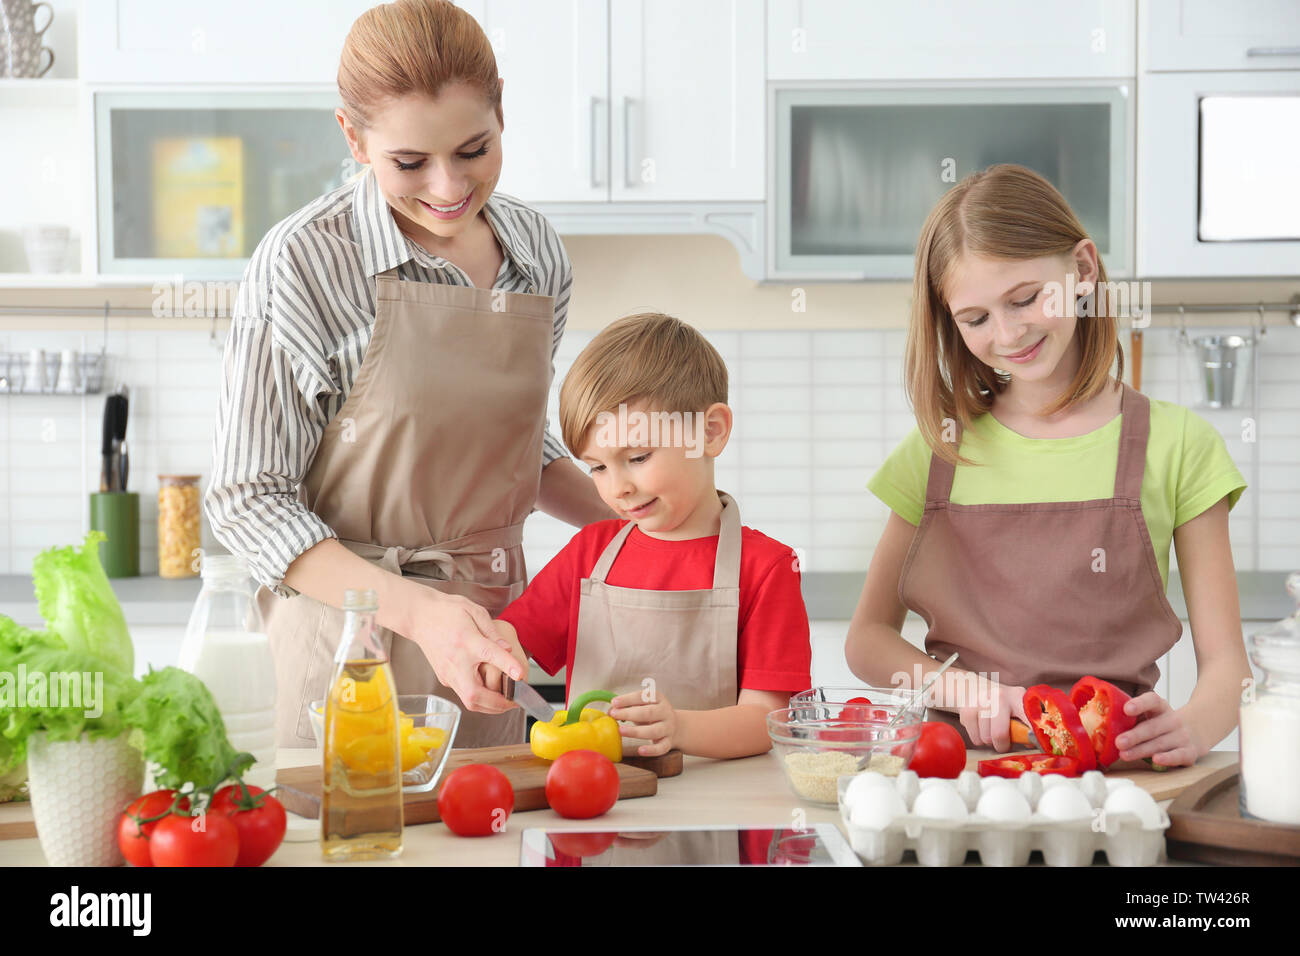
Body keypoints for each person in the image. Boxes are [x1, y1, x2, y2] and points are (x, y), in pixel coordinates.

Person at [205, 0, 612, 748]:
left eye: (474, 149)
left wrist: (641, 521)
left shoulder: (536, 253)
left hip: (492, 641)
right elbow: (247, 500)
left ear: (501, 113)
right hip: (344, 644)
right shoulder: (304, 262)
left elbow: (518, 442)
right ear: (353, 139)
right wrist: (420, 614)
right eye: (410, 162)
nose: (450, 185)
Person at [845, 164, 1252, 768]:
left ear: (1083, 269)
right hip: (956, 774)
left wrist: (1192, 729)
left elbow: (1228, 668)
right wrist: (966, 689)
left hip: (1116, 777)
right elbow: (868, 641)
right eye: (975, 318)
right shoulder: (938, 449)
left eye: (1026, 299)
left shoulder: (1179, 444)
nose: (1008, 333)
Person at [485, 313, 813, 759]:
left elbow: (767, 721)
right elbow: (514, 636)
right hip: (594, 801)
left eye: (637, 457)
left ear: (709, 433)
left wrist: (680, 729)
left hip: (712, 807)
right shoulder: (591, 553)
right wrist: (495, 652)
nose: (616, 487)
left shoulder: (767, 568)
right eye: (597, 467)